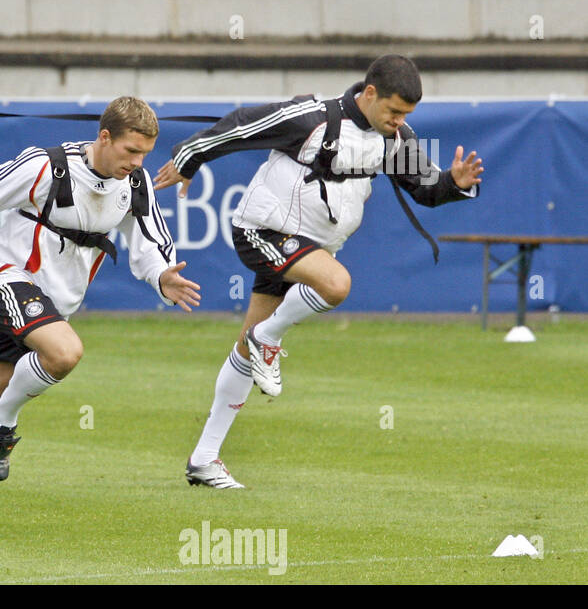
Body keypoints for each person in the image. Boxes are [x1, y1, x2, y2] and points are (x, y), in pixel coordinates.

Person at [154, 54, 483, 489]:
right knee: (336, 283)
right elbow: (241, 124)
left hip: (306, 249)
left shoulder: (394, 138)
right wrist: (190, 156)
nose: (400, 121)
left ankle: (204, 458)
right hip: (262, 231)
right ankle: (268, 337)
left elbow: (426, 190)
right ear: (369, 94)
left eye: (406, 115)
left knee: (246, 351)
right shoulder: (311, 117)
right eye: (394, 111)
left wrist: (455, 183)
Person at [0, 96, 202, 526]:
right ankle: (4, 418)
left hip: (52, 304)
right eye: (131, 151)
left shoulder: (134, 184)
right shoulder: (47, 166)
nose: (138, 161)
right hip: (6, 281)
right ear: (104, 137)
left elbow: (151, 244)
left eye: (145, 152)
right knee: (64, 354)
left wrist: (163, 276)